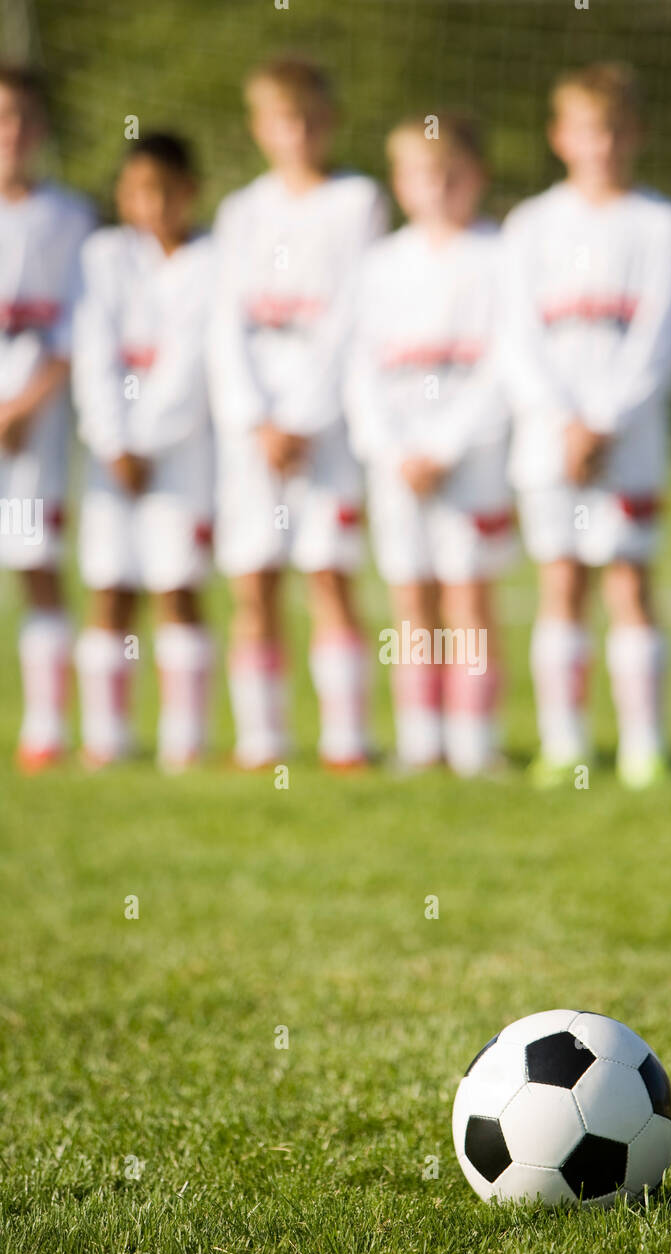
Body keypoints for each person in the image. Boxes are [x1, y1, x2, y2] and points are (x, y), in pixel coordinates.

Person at [502, 63, 671, 788]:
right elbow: (517, 337)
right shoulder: (530, 225)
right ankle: (566, 744)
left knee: (630, 584)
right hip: (549, 444)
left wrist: (605, 421)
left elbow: (659, 337)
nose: (601, 145)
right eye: (585, 130)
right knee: (560, 583)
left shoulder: (662, 224)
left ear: (635, 136)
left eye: (613, 131)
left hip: (629, 445)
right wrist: (564, 423)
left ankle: (645, 746)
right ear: (559, 137)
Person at [209, 55, 388, 770]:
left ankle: (347, 740)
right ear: (259, 128)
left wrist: (306, 416)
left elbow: (354, 314)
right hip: (253, 434)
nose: (299, 133)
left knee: (329, 575)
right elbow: (225, 323)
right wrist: (257, 418)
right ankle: (263, 740)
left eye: (311, 119)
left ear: (331, 121)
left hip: (327, 428)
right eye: (284, 121)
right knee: (252, 581)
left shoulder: (358, 202)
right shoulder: (241, 211)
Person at [345, 115, 513, 775]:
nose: (436, 188)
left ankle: (475, 742)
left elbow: (503, 364)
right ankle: (420, 740)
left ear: (479, 178)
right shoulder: (381, 263)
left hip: (470, 463)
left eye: (451, 175)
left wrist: (445, 446)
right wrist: (395, 450)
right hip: (397, 465)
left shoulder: (500, 256)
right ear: (399, 182)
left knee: (468, 595)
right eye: (420, 174)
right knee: (410, 597)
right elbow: (360, 367)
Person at [72, 133, 214, 769]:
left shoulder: (211, 261)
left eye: (162, 191)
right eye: (135, 192)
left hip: (179, 454)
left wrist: (148, 438)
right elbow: (92, 349)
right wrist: (112, 439)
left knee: (177, 585)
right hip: (112, 458)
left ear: (190, 192)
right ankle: (108, 736)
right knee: (110, 584)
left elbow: (189, 359)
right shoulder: (103, 256)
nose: (149, 205)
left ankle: (185, 740)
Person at [0, 66, 94, 769]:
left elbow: (76, 328)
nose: (10, 134)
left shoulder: (69, 217)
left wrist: (25, 403)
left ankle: (46, 727)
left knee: (33, 562)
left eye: (22, 119)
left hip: (32, 428)